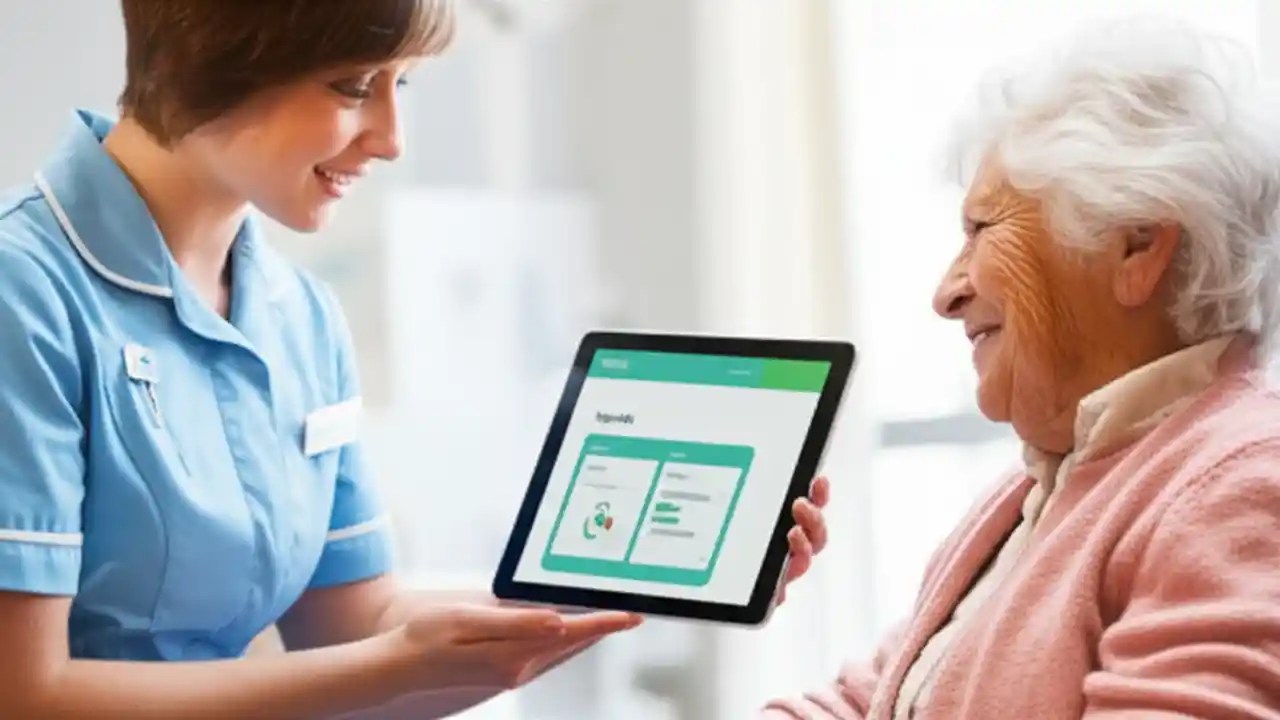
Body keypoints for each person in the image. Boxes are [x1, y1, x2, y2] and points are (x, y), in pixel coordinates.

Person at [0, 2, 833, 718]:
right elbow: (24, 693)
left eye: (405, 86)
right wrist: (401, 660)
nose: (393, 140)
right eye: (355, 87)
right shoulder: (23, 293)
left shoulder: (300, 318)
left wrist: (629, 587)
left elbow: (358, 629)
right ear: (210, 52)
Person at [764, 16, 1280, 720]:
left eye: (982, 230)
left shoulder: (1242, 481)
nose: (946, 293)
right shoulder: (1034, 488)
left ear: (1138, 247)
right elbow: (866, 702)